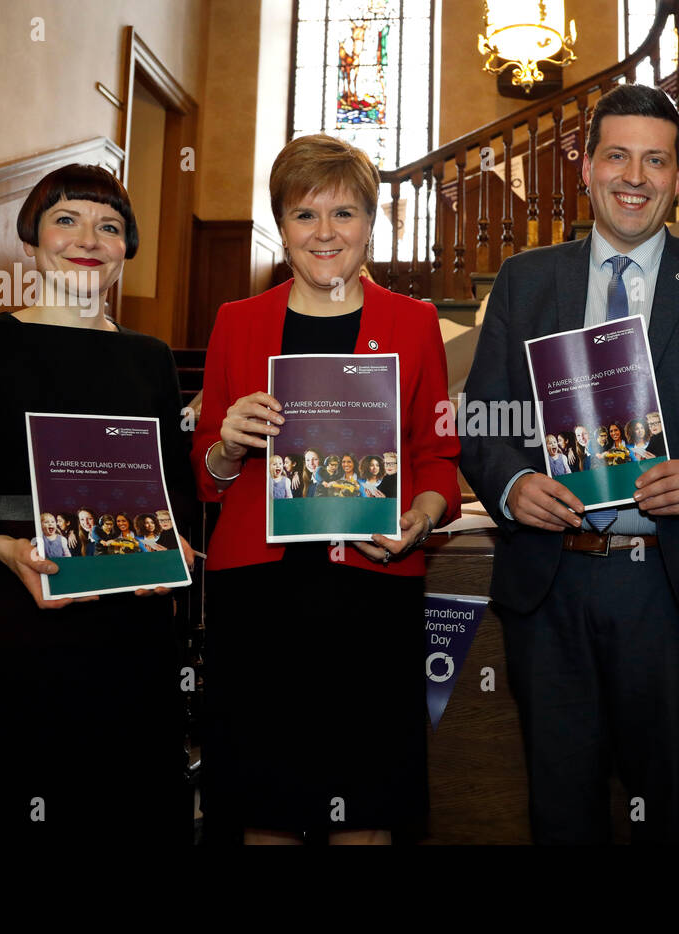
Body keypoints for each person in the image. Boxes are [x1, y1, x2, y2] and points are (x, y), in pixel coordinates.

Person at [461, 84, 679, 844]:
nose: (634, 176)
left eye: (656, 160)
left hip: (668, 589)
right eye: (617, 155)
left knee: (670, 812)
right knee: (560, 813)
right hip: (550, 585)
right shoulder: (525, 279)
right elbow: (479, 424)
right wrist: (513, 486)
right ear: (584, 166)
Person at [0, 163, 194, 844]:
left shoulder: (150, 360)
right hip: (8, 611)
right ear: (31, 241)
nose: (89, 236)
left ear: (126, 251)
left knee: (120, 810)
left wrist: (174, 542)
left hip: (126, 621)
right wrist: (1, 548)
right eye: (68, 219)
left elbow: (171, 487)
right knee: (5, 808)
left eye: (110, 225)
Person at [193, 133, 460, 845]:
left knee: (366, 809)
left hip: (372, 586)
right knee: (265, 807)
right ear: (280, 228)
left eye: (344, 214)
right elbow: (203, 472)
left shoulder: (415, 322)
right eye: (304, 215)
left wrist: (423, 516)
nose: (324, 233)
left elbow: (437, 457)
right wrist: (225, 446)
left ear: (371, 225)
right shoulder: (236, 322)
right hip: (260, 594)